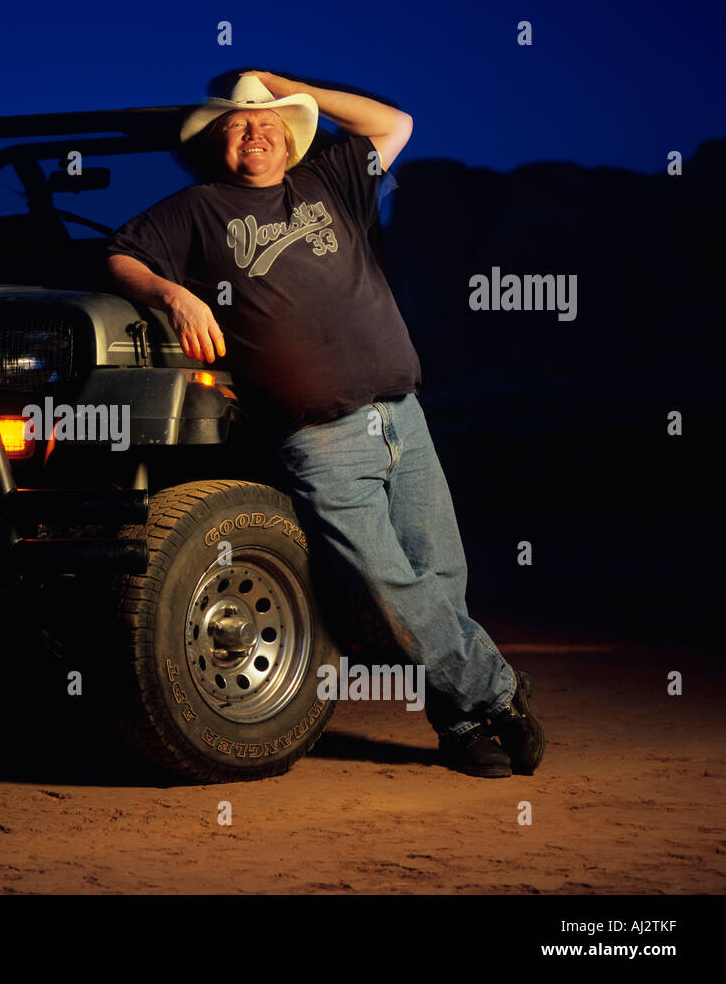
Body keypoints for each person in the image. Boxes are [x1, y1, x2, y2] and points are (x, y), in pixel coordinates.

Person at [105, 70, 545, 777]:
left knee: (439, 578)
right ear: (220, 143)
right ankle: (498, 690)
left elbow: (393, 123)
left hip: (402, 414)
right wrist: (176, 295)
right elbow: (118, 255)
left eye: (270, 122)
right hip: (320, 439)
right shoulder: (194, 210)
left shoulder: (332, 179)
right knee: (388, 585)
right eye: (240, 125)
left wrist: (285, 85)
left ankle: (463, 724)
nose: (256, 132)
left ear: (291, 135)